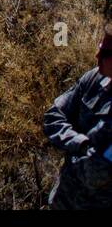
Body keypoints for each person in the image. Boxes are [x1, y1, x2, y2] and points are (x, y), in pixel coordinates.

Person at [43, 31, 112, 209]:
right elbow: (53, 116)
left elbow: (97, 173)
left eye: (105, 54)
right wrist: (78, 142)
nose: (97, 56)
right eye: (100, 48)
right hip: (63, 199)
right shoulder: (93, 79)